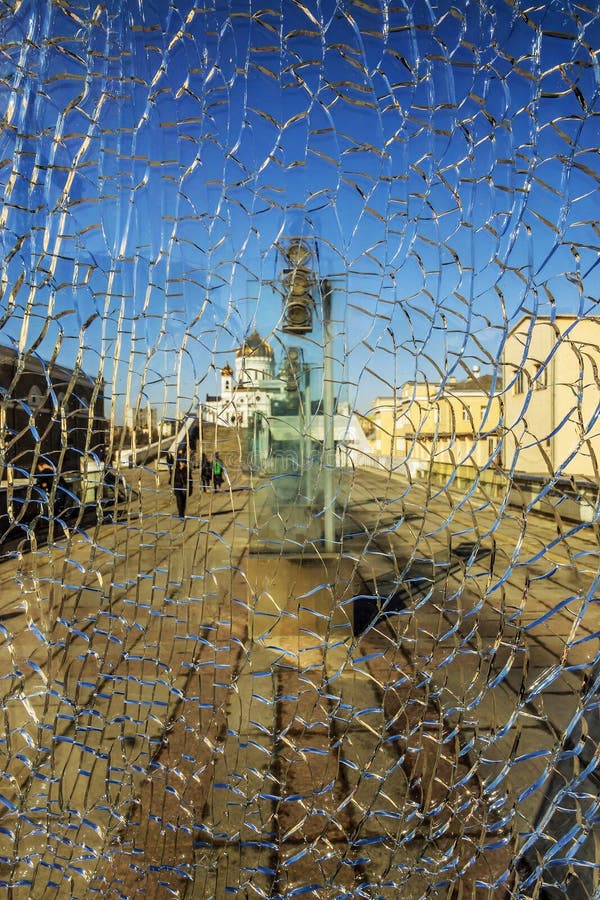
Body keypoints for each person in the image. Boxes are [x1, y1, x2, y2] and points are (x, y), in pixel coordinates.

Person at [173, 447, 192, 517]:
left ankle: (182, 513)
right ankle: (180, 514)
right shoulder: (176, 470)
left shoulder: (187, 470)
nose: (182, 463)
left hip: (184, 487)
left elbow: (190, 480)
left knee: (183, 501)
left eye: (184, 462)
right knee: (179, 501)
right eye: (181, 462)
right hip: (177, 487)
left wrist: (190, 489)